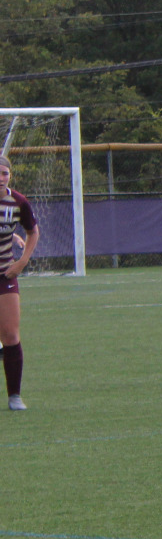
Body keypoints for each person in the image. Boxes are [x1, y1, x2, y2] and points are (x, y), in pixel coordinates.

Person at [0, 156, 38, 411]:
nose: (1, 178)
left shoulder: (18, 201)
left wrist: (22, 261)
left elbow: (33, 231)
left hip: (5, 274)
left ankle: (15, 396)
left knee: (11, 334)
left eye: (4, 174)